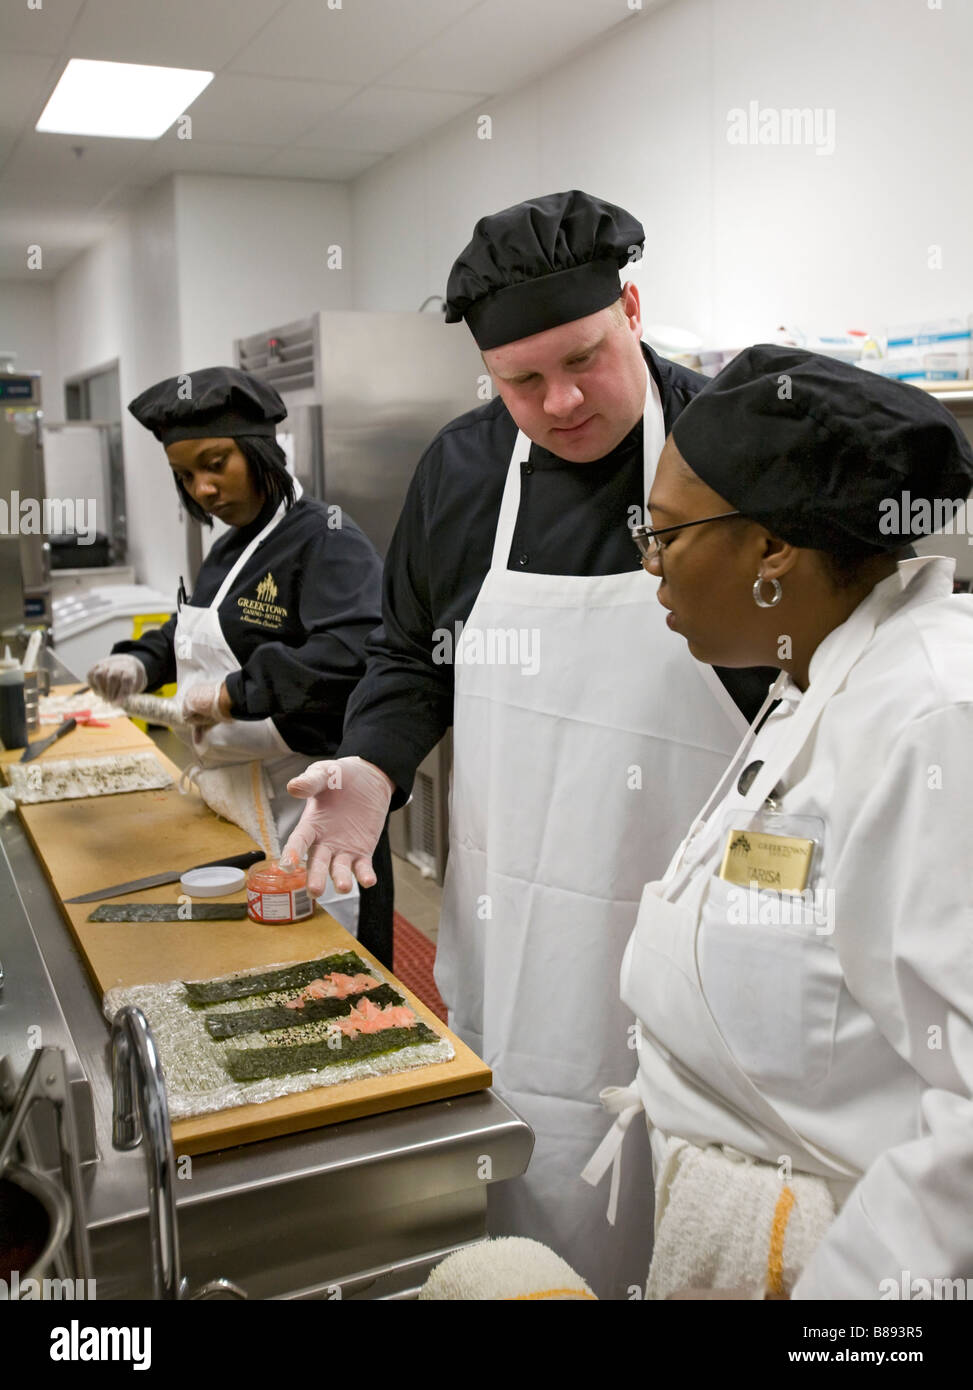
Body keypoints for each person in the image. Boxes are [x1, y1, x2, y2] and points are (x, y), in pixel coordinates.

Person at [281, 191, 775, 1297]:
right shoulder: (460, 474)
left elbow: (808, 688)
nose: (558, 403)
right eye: (520, 382)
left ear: (632, 309)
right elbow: (411, 656)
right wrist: (372, 767)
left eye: (586, 359)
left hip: (710, 936)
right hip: (521, 929)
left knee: (707, 1199)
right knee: (530, 1177)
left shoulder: (732, 457)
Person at [584, 344, 973, 1299]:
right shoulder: (816, 674)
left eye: (666, 533)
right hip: (745, 1221)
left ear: (771, 549)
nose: (650, 563)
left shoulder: (929, 719)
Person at [87, 366, 394, 964]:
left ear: (259, 451)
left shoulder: (326, 540)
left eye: (215, 462)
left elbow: (351, 654)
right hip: (237, 801)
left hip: (312, 807)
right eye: (185, 476)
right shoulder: (228, 547)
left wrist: (233, 695)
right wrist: (140, 663)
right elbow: (193, 629)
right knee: (254, 961)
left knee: (335, 980)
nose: (202, 488)